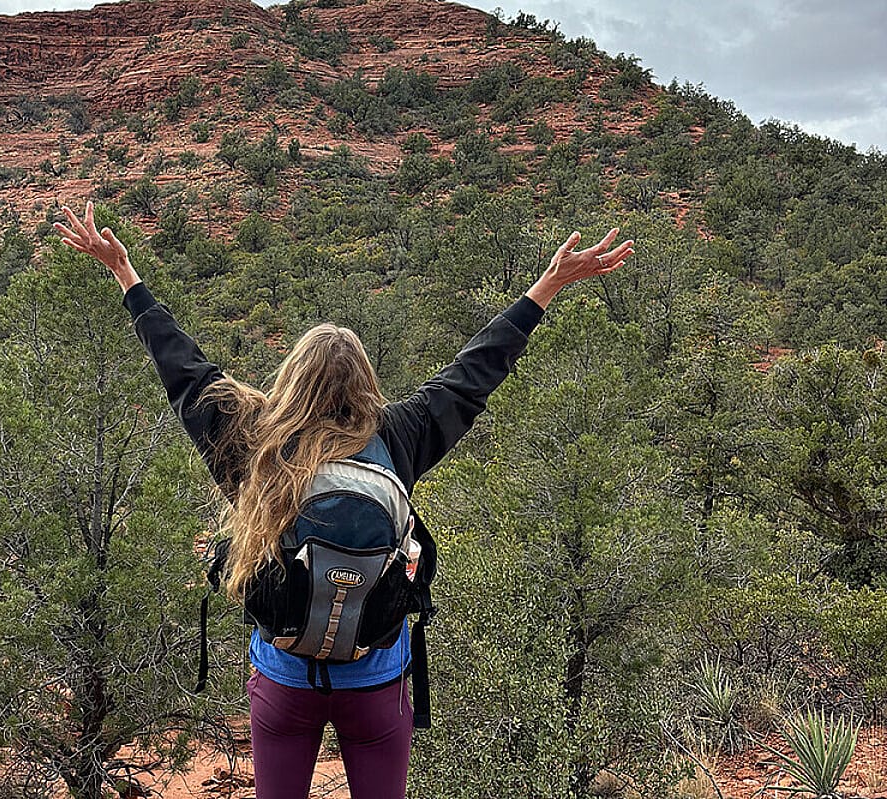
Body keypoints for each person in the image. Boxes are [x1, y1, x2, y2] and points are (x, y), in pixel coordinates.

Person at [55, 201, 632, 799]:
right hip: (378, 681)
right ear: (365, 382)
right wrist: (549, 283)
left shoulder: (251, 437)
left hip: (284, 679)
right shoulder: (398, 436)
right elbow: (474, 373)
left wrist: (126, 273)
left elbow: (181, 367)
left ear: (290, 378)